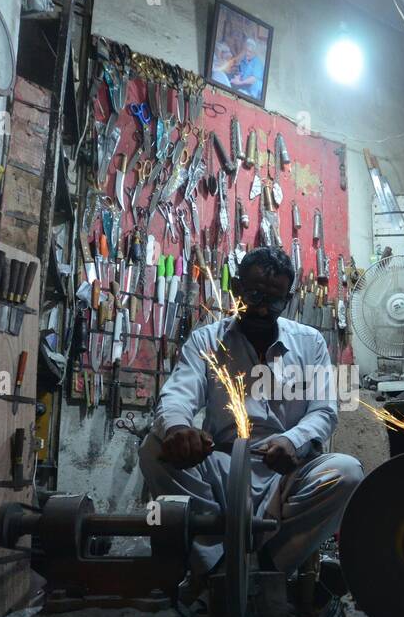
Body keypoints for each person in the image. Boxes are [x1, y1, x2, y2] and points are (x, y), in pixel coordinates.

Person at [140, 246, 361, 586]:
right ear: (236, 289)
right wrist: (179, 428)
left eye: (273, 300)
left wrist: (292, 440)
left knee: (346, 473)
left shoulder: (310, 342)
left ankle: (270, 566)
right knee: (154, 450)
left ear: (286, 301)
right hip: (222, 467)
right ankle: (215, 565)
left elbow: (324, 410)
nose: (260, 307)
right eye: (254, 294)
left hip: (286, 472)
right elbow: (178, 395)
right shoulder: (206, 340)